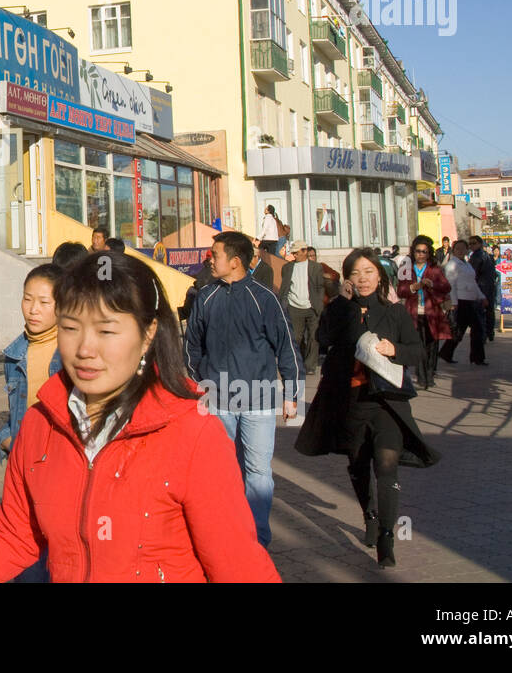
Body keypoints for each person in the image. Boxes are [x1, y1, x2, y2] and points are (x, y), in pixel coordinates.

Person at [0, 251, 278, 582]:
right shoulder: (40, 425)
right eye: (71, 327)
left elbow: (238, 566)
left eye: (107, 331)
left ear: (149, 333)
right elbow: (14, 538)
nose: (85, 349)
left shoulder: (193, 432)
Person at [297, 249, 441, 567]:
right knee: (359, 465)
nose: (363, 279)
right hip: (350, 403)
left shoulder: (395, 313)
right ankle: (370, 516)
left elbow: (416, 351)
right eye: (356, 273)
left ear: (379, 276)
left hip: (386, 402)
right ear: (348, 279)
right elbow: (321, 337)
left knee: (386, 466)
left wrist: (395, 349)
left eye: (368, 272)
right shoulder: (341, 309)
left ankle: (387, 539)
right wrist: (340, 302)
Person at [184, 231, 302, 547]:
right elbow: (191, 345)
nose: (209, 259)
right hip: (218, 399)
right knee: (223, 471)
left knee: (258, 471)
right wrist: (201, 383)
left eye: (215, 254)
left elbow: (287, 347)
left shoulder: (266, 298)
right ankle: (229, 534)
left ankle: (256, 539)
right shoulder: (205, 297)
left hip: (259, 398)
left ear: (235, 261)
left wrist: (292, 394)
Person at [0, 264, 62, 458]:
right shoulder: (14, 355)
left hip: (61, 461)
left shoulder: (73, 352)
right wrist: (6, 439)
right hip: (24, 460)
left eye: (44, 302)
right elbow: (15, 410)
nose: (33, 310)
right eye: (27, 299)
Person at [395, 235, 451, 390]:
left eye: (424, 252)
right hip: (414, 313)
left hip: (432, 313)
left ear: (429, 253)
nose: (421, 254)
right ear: (413, 252)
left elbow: (446, 287)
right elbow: (400, 291)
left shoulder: (435, 269)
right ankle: (422, 377)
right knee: (418, 345)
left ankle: (430, 374)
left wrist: (432, 284)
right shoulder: (406, 269)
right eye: (418, 251)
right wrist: (415, 286)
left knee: (432, 346)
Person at [280, 243, 326, 376]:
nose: (294, 255)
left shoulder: (316, 267)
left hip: (312, 307)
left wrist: (319, 304)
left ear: (304, 251)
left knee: (313, 337)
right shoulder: (287, 267)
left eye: (296, 252)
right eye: (293, 253)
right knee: (296, 337)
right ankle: (296, 363)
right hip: (294, 307)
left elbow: (320, 286)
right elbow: (285, 286)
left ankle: (310, 365)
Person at [440, 240, 488, 365]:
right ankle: (448, 353)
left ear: (467, 250)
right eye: (458, 249)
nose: (460, 251)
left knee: (471, 330)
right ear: (453, 250)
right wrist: (454, 303)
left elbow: (473, 283)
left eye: (463, 249)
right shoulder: (452, 265)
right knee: (462, 330)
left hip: (471, 300)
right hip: (461, 301)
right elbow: (451, 285)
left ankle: (475, 357)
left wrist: (481, 297)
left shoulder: (467, 264)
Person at [468, 236, 498, 342]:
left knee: (480, 312)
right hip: (490, 286)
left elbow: (473, 273)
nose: (471, 245)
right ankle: (490, 332)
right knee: (489, 310)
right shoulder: (488, 256)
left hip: (481, 287)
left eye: (474, 243)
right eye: (470, 243)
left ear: (480, 244)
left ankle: (483, 334)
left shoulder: (476, 256)